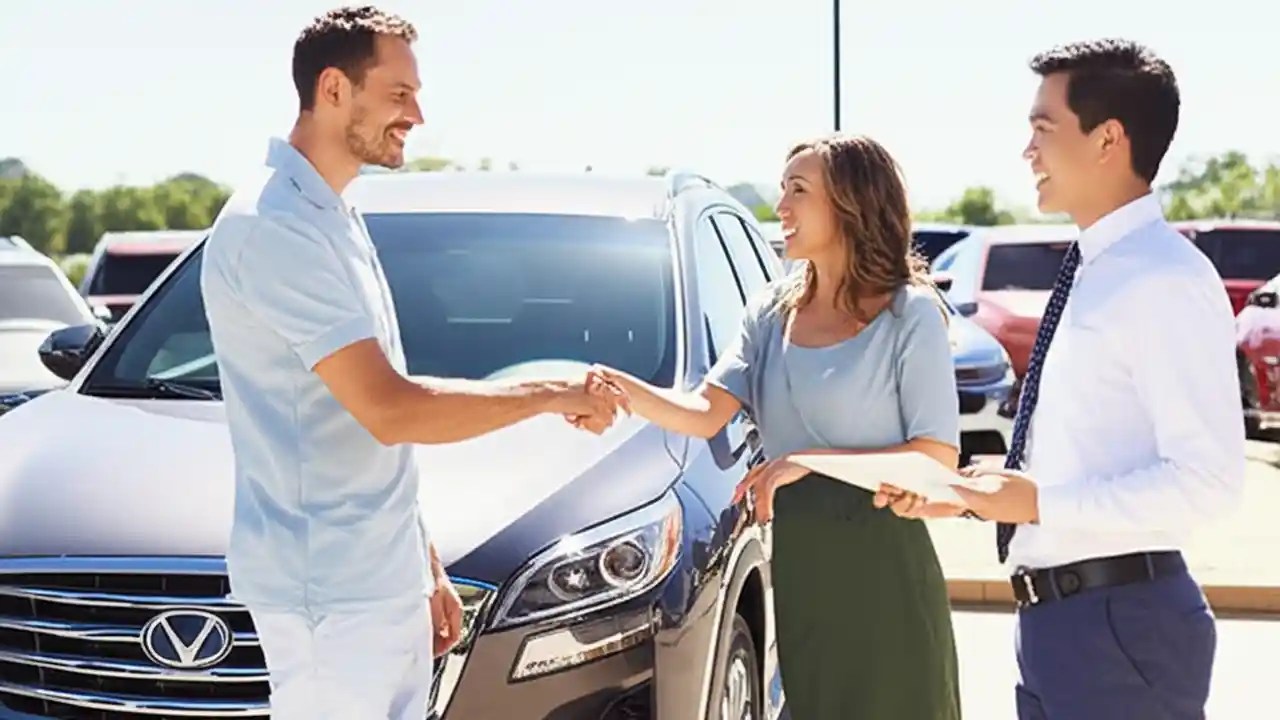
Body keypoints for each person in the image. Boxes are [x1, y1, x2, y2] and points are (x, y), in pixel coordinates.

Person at [199, 7, 623, 719]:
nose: (418, 115)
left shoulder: (333, 215)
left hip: (376, 581)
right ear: (334, 89)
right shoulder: (272, 228)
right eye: (399, 94)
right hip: (329, 598)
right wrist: (554, 392)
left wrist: (422, 563)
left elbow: (360, 430)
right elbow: (390, 408)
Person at [590, 134, 963, 719]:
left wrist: (805, 461)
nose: (781, 206)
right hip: (802, 575)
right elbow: (703, 412)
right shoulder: (771, 312)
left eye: (798, 191)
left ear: (851, 203)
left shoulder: (908, 313)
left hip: (886, 576)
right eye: (783, 189)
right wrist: (620, 389)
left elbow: (936, 460)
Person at [929, 39, 1245, 719]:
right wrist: (973, 496)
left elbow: (1208, 483)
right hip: (1059, 624)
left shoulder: (1165, 278)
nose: (1027, 151)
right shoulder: (1095, 267)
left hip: (1119, 627)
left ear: (1108, 140)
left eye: (1043, 128)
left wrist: (1039, 503)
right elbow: (1084, 453)